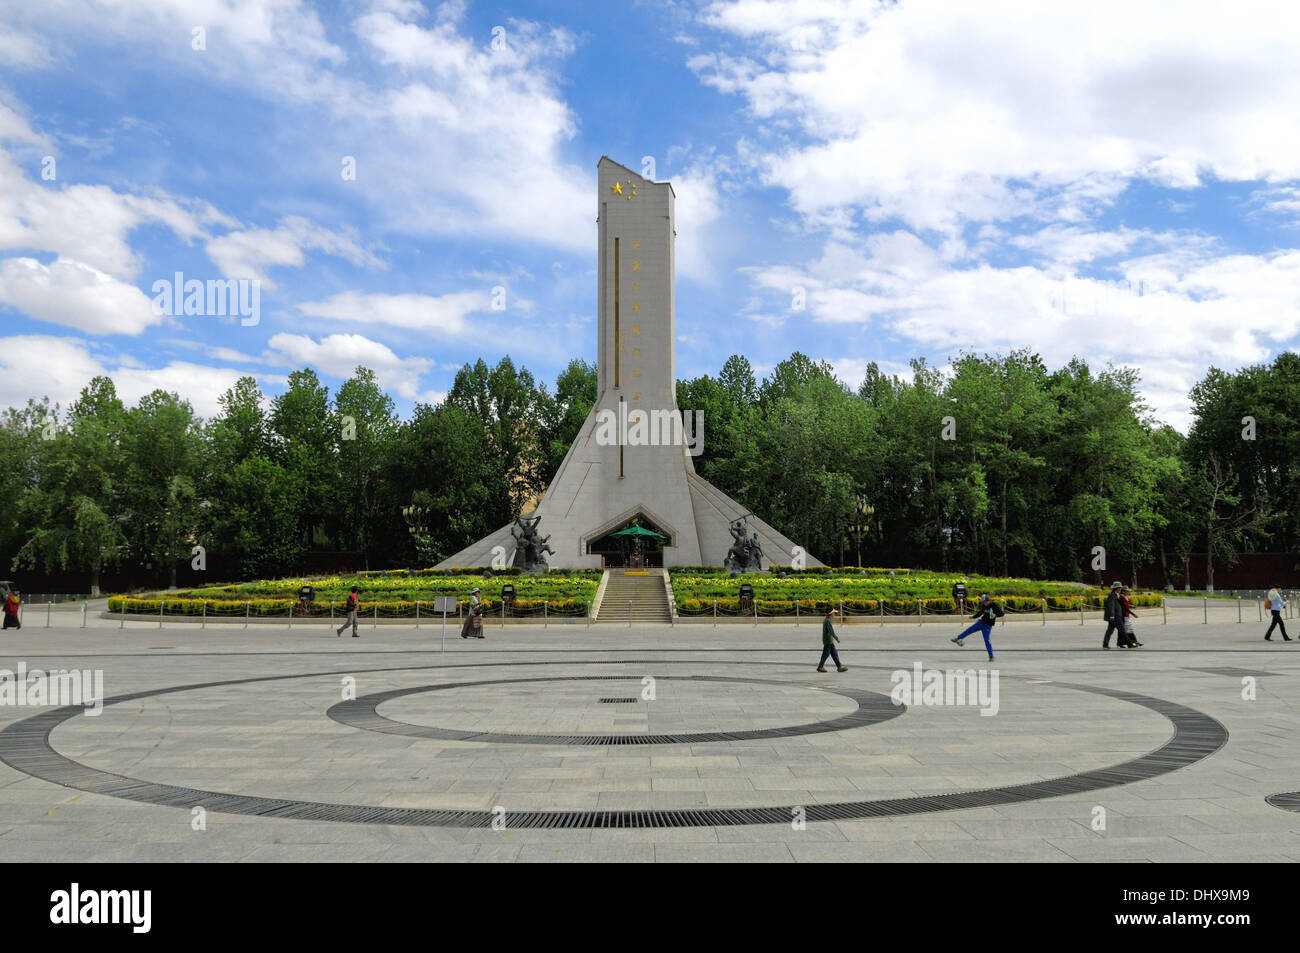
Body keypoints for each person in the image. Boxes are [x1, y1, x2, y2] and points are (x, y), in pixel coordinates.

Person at [951, 593, 1002, 661]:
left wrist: (995, 615)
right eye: (983, 602)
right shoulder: (984, 605)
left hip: (987, 626)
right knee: (969, 630)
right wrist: (973, 617)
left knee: (987, 640)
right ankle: (958, 638)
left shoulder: (994, 605)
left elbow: (1002, 613)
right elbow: (980, 612)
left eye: (984, 602)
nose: (983, 603)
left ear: (988, 601)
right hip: (981, 622)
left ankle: (991, 656)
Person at [818, 608, 847, 672]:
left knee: (834, 654)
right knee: (826, 654)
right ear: (831, 614)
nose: (834, 614)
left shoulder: (827, 620)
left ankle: (839, 666)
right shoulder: (828, 621)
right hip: (828, 640)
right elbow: (831, 631)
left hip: (829, 640)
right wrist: (836, 638)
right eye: (834, 613)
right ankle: (820, 667)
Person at [1101, 581, 1125, 649]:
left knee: (1110, 631)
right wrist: (1112, 615)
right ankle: (1129, 643)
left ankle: (1105, 644)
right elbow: (1111, 606)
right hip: (1114, 617)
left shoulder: (1116, 595)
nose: (1121, 589)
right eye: (1120, 588)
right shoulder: (1112, 595)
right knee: (1114, 631)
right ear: (1116, 588)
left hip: (1115, 617)